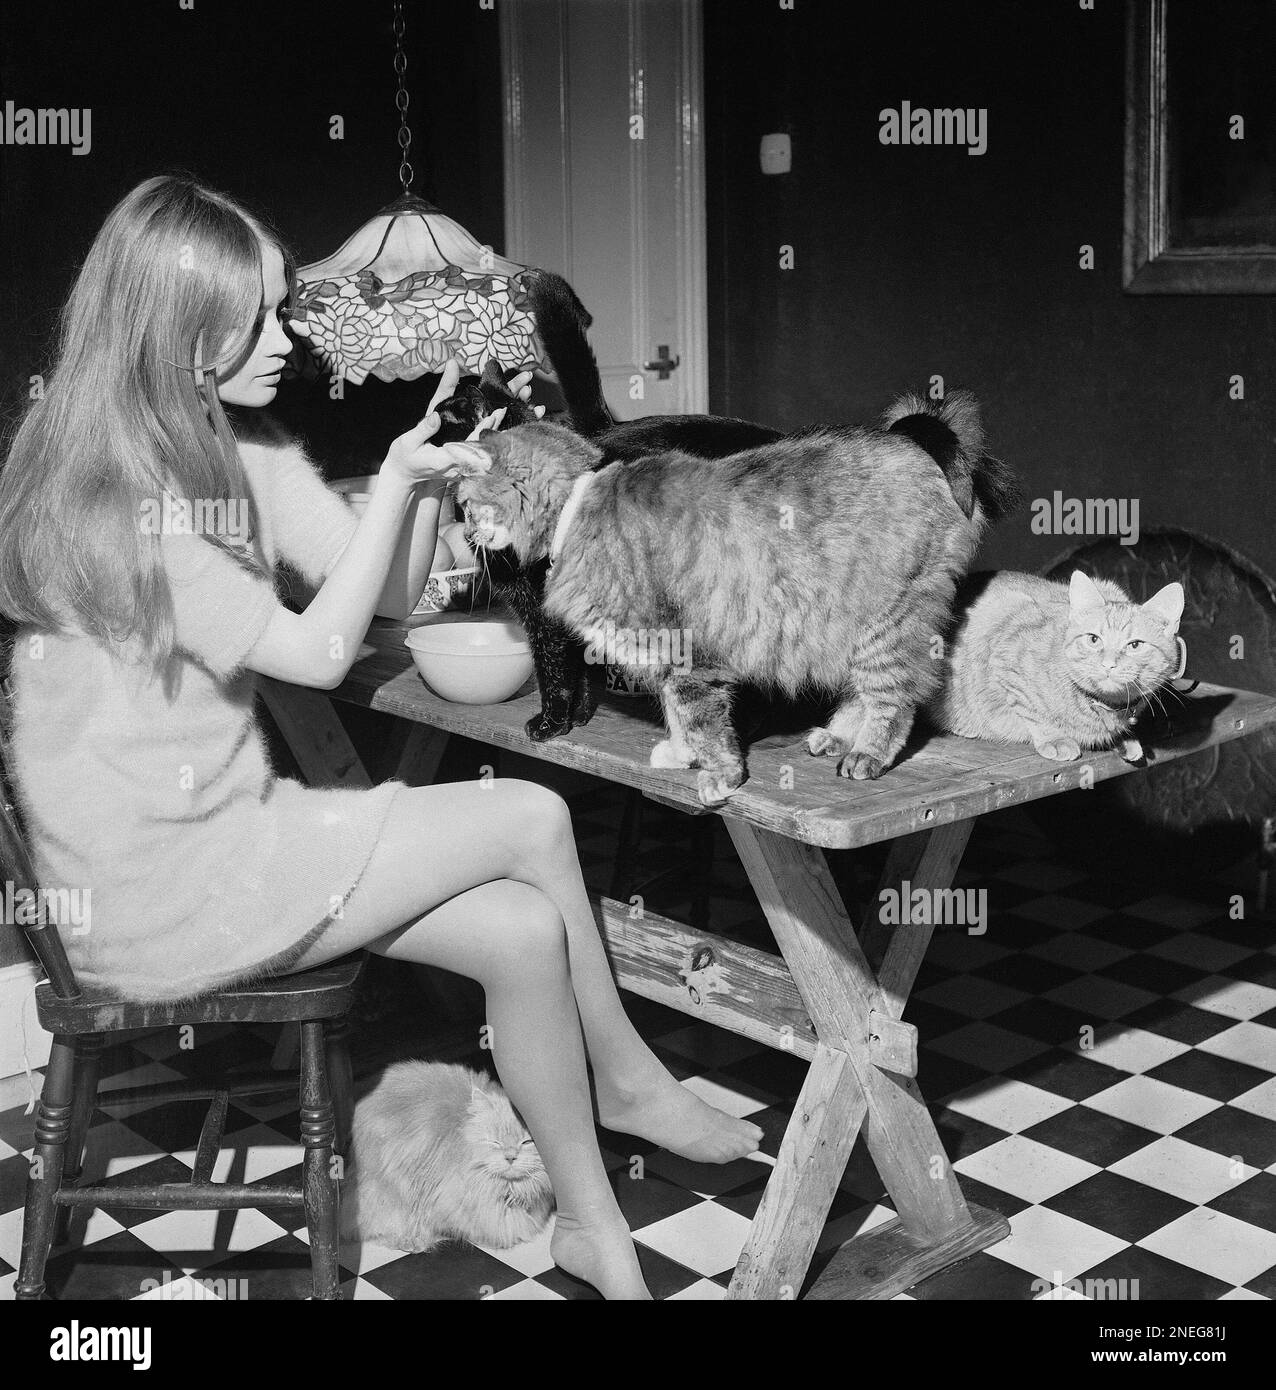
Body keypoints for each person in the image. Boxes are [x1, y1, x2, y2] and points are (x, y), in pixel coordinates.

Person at [0, 175, 762, 1300]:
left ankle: (590, 1226)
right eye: (251, 320)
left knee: (516, 930)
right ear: (171, 333)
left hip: (230, 829)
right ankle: (631, 1081)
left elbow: (391, 600)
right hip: (153, 880)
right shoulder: (118, 496)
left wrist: (414, 478)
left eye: (279, 307)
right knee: (533, 811)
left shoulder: (233, 453)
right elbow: (316, 653)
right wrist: (398, 494)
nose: (285, 339)